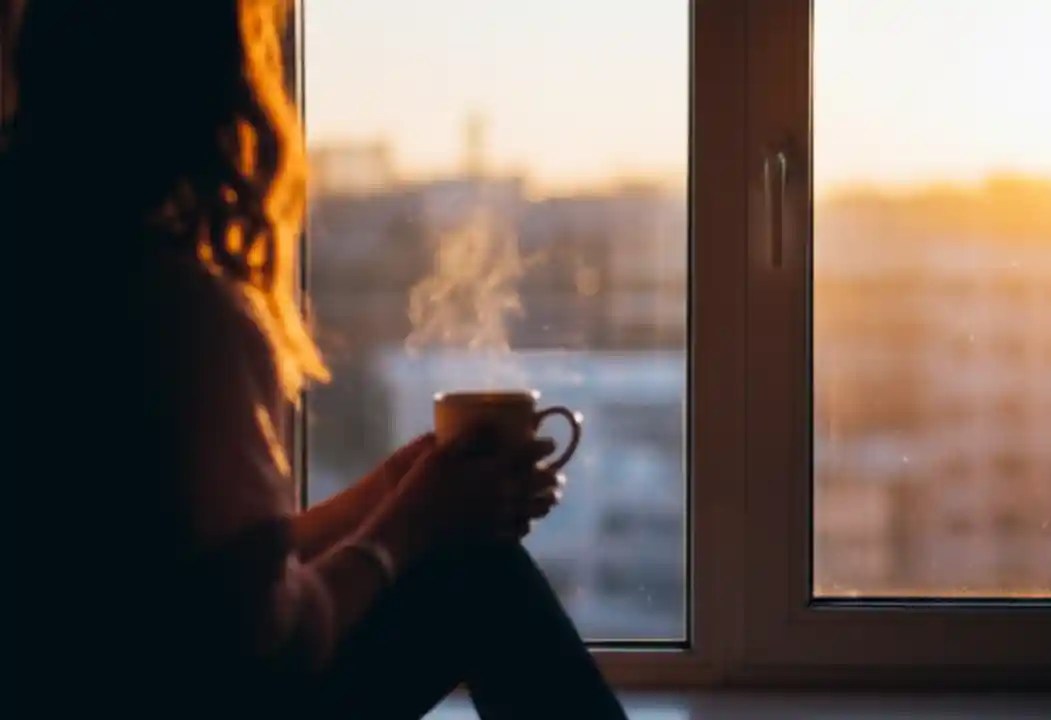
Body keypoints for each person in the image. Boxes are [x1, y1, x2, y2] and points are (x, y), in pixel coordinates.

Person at [0, 2, 627, 717]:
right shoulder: (175, 312)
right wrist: (416, 525)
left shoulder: (39, 265)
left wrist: (395, 492)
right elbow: (275, 644)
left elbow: (206, 580)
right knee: (480, 572)